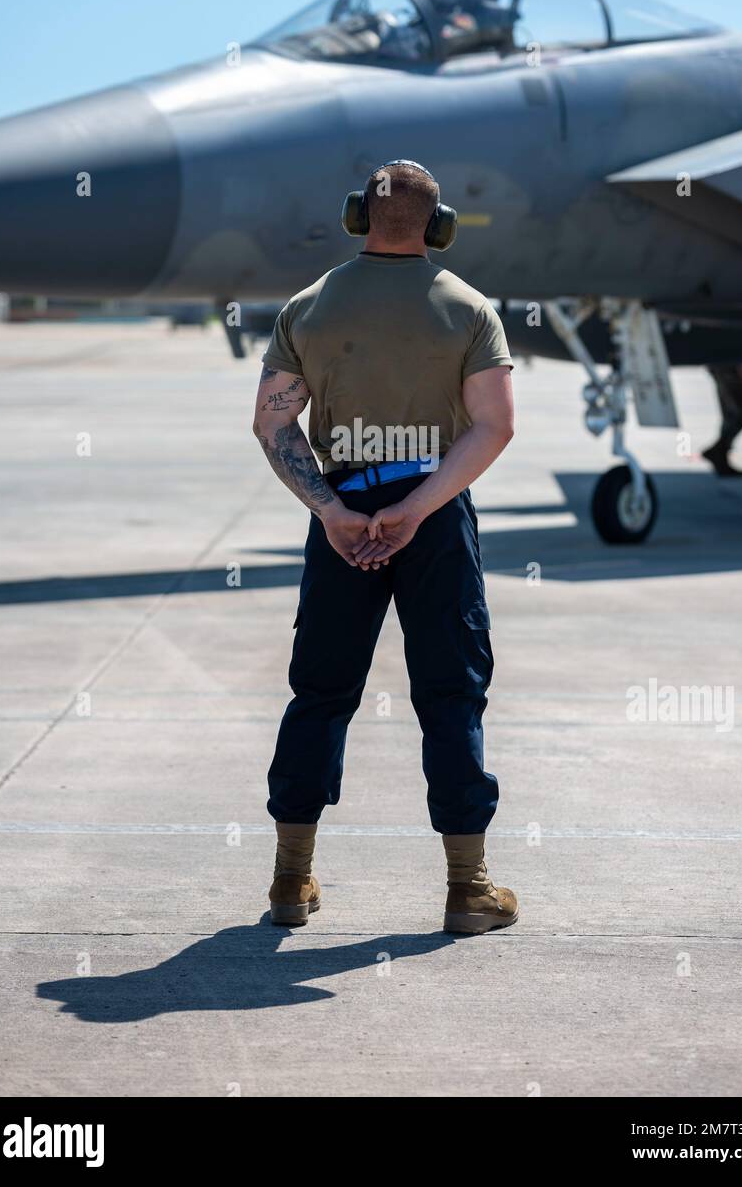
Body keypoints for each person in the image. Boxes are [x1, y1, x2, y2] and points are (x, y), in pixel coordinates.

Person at [252, 160, 517, 935]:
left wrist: (335, 511)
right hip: (431, 510)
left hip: (341, 507)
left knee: (321, 692)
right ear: (439, 227)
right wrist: (415, 508)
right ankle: (468, 890)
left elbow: (273, 425)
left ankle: (290, 884)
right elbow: (494, 426)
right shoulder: (467, 308)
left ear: (356, 217)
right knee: (451, 691)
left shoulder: (308, 305)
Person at [702, 364, 742, 477]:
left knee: (732, 414)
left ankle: (720, 454)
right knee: (741, 412)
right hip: (727, 364)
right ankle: (718, 452)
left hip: (722, 363)